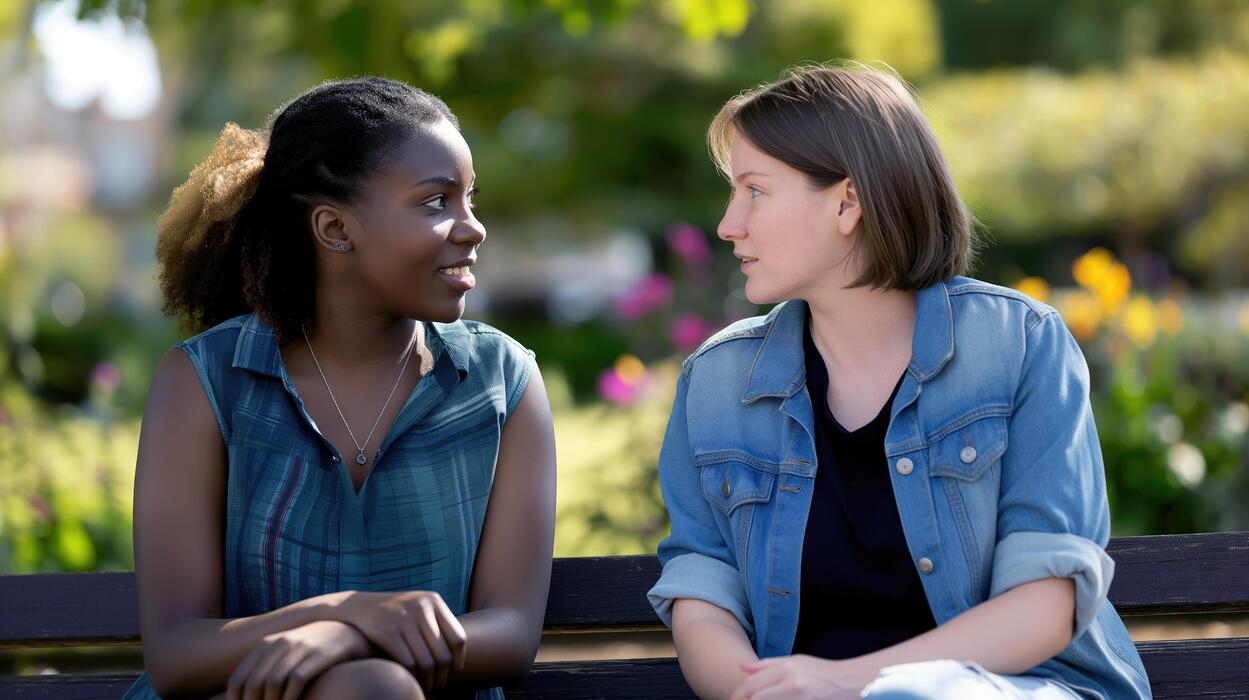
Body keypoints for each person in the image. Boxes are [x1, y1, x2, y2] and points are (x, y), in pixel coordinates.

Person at [646, 65, 1151, 699]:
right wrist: (763, 692)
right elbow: (704, 596)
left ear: (848, 201)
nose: (728, 224)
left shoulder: (1020, 344)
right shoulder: (717, 382)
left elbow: (1046, 601)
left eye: (754, 191)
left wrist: (845, 683)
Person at [124, 77, 556, 700]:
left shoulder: (503, 381)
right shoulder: (205, 379)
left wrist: (350, 639)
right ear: (334, 229)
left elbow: (512, 633)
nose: (472, 228)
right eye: (437, 202)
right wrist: (348, 611)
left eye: (470, 199)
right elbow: (176, 653)